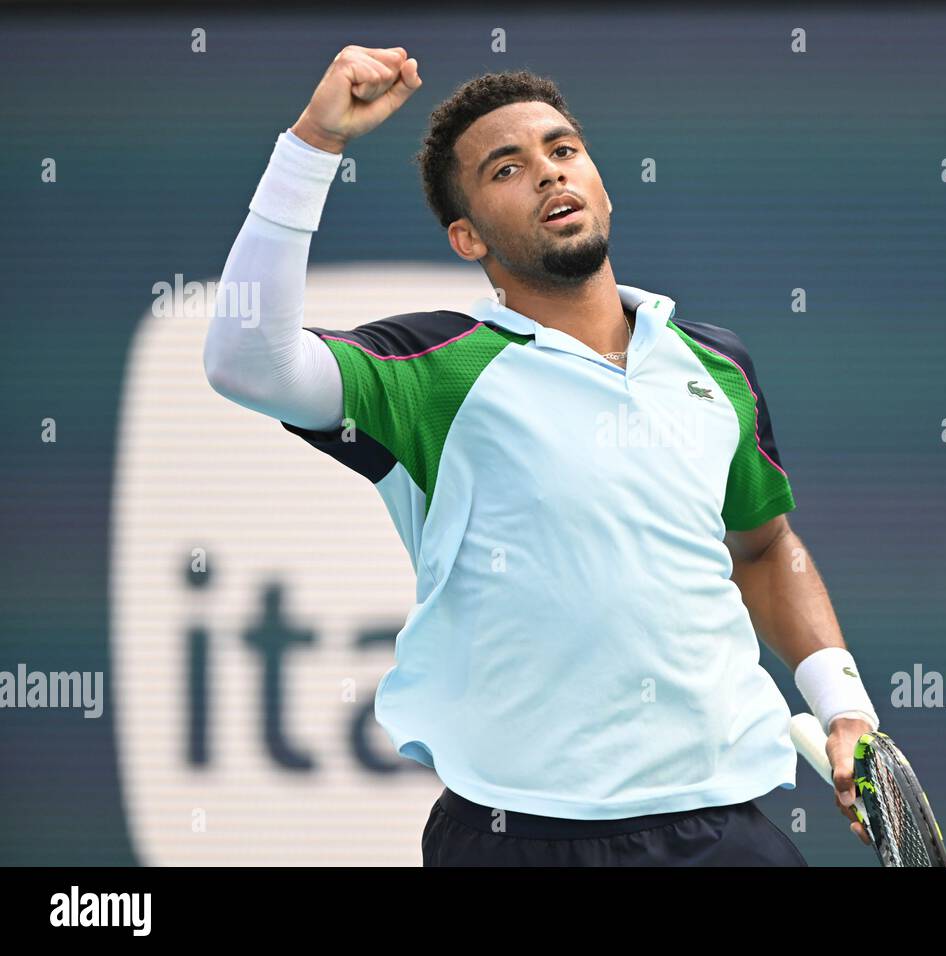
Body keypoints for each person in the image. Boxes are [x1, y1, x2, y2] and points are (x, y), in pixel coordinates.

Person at [203, 45, 880, 865]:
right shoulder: (433, 368)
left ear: (600, 182)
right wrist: (315, 141)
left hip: (726, 829)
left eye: (563, 151)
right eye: (507, 170)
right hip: (516, 837)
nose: (551, 175)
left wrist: (841, 703)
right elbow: (246, 360)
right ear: (465, 235)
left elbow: (763, 545)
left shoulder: (715, 364)